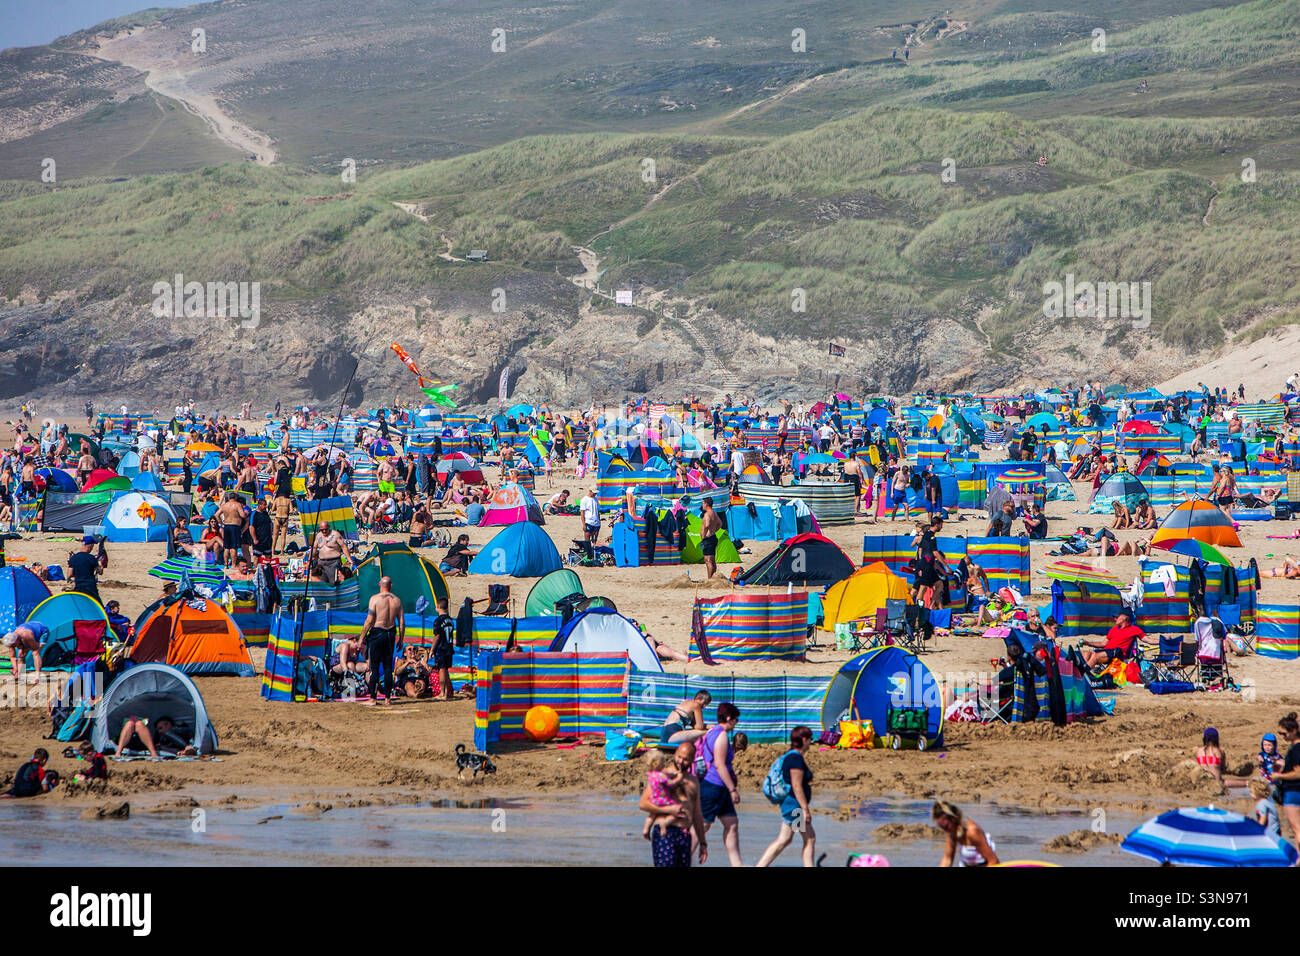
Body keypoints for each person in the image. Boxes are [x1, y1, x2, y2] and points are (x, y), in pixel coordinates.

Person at [755, 725, 817, 867]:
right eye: (810, 739)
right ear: (803, 739)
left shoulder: (790, 756)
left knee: (785, 839)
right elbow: (796, 786)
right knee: (809, 838)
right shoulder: (795, 759)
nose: (811, 742)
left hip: (791, 805)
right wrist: (805, 809)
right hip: (795, 806)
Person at [638, 741, 707, 867]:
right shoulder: (662, 775)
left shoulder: (693, 782)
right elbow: (643, 803)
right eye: (679, 757)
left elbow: (697, 814)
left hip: (685, 835)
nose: (680, 761)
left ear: (692, 760)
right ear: (675, 754)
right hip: (665, 833)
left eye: (685, 759)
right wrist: (669, 810)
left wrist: (703, 843)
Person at [697, 702, 744, 867]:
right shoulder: (721, 735)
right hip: (714, 786)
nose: (736, 723)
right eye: (736, 719)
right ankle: (682, 859)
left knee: (731, 823)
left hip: (719, 787)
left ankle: (737, 863)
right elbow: (720, 764)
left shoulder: (712, 732)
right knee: (703, 824)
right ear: (729, 718)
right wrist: (732, 789)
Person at [360, 575, 403, 704]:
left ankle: (373, 697)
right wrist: (401, 638)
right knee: (388, 667)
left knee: (374, 666)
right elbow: (401, 622)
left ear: (380, 585)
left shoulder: (375, 599)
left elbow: (369, 620)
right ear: (391, 586)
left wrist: (361, 637)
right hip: (390, 633)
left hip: (377, 632)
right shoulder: (397, 600)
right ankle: (387, 698)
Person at [1270, 712, 1300, 859]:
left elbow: (1298, 773)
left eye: (1284, 733)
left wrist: (1279, 776)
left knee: (1296, 828)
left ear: (1293, 731)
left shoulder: (1296, 749)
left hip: (1293, 791)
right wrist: (1283, 765)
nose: (1282, 737)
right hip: (1294, 791)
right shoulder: (1295, 748)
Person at [933, 800, 999, 867]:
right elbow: (947, 859)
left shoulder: (972, 832)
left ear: (954, 819)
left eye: (946, 826)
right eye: (941, 827)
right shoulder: (951, 832)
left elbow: (994, 861)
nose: (944, 831)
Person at [114, 715, 195, 758]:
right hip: (144, 745)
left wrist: (181, 750)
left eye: (160, 728)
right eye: (157, 729)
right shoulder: (159, 737)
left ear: (168, 724)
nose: (159, 731)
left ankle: (187, 747)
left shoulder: (180, 730)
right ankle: (118, 752)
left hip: (174, 747)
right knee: (131, 723)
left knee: (139, 724)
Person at [430, 596, 456, 700]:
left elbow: (437, 636)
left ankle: (443, 693)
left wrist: (432, 649)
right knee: (446, 670)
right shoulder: (450, 619)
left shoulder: (438, 620)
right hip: (449, 647)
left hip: (441, 648)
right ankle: (448, 692)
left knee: (441, 670)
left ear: (438, 607)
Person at [67, 536, 102, 604]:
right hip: (90, 587)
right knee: (98, 606)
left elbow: (69, 575)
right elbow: (100, 572)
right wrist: (100, 563)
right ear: (90, 545)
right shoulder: (92, 558)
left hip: (79, 587)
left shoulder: (74, 558)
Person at [311, 520, 347, 585]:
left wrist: (349, 559)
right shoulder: (318, 536)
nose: (324, 531)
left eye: (326, 529)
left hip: (333, 562)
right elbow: (314, 548)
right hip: (321, 562)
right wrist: (310, 559)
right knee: (322, 582)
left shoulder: (335, 534)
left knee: (333, 582)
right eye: (322, 530)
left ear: (329, 527)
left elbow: (343, 546)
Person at [699, 496, 721, 579]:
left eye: (703, 503)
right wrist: (714, 531)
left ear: (706, 504)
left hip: (708, 539)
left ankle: (710, 579)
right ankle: (714, 578)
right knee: (712, 560)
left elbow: (707, 524)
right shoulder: (714, 513)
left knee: (708, 560)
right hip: (713, 537)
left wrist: (704, 535)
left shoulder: (707, 514)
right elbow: (720, 524)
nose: (702, 505)